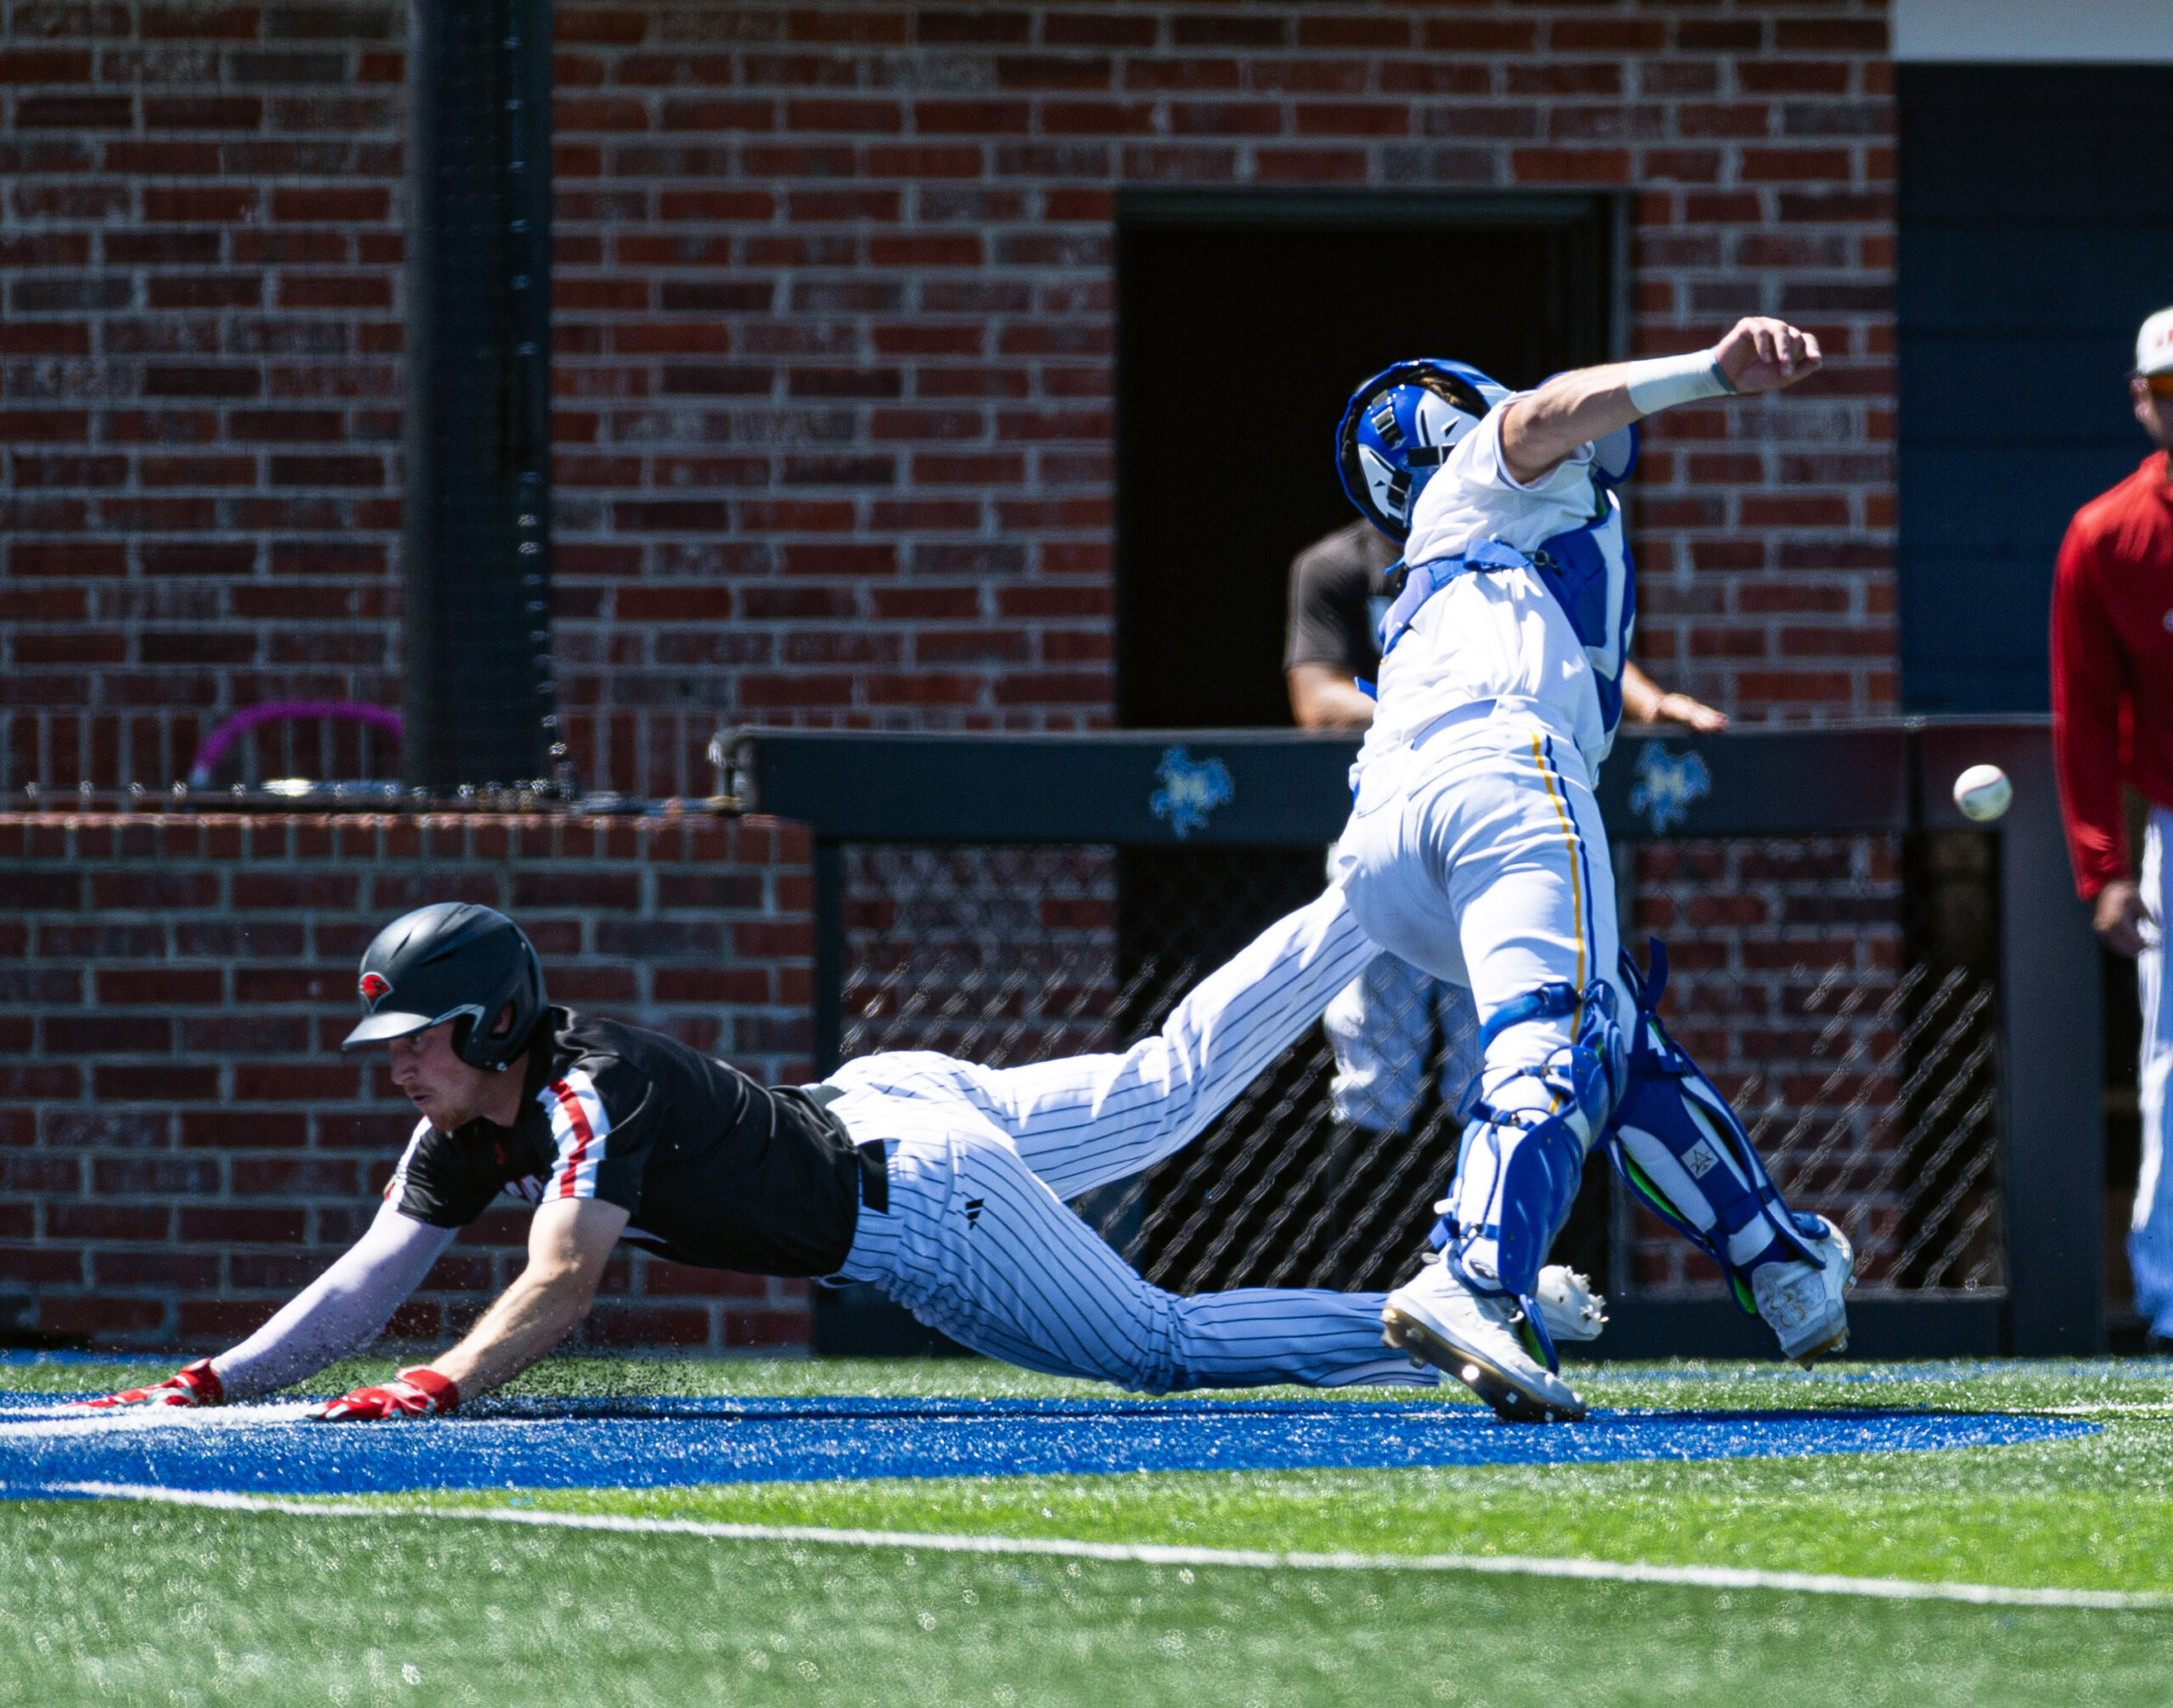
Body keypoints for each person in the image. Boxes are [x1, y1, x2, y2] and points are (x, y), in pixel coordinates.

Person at [78, 900, 1607, 1419]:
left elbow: (557, 1284)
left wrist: (445, 1381)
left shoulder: (587, 1086)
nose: (398, 1064)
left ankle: (1476, 1307)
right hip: (884, 1110)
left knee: (1160, 1345)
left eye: (414, 1038)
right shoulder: (474, 1114)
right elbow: (365, 1281)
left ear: (486, 1021)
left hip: (921, 1197)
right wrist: (219, 1376)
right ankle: (1364, 887)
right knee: (1168, 1083)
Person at [1325, 325, 1856, 1422]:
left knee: (1612, 1036)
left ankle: (1782, 1262)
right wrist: (1709, 372)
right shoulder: (1486, 478)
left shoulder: (1500, 538)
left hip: (1388, 834)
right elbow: (1538, 418)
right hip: (1503, 775)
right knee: (1558, 1036)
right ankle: (1473, 1273)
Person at [1286, 515, 1730, 1141]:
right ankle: (1366, 1240)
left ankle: (1476, 1229)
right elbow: (1316, 701)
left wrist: (1651, 703)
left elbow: (1568, 642)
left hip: (1488, 819)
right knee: (1374, 1072)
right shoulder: (1335, 564)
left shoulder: (1490, 548)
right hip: (1381, 826)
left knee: (1500, 1058)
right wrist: (1440, 704)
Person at [2052, 305, 2173, 1346]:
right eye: (2170, 391)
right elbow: (2084, 710)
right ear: (2141, 400)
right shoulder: (2107, 535)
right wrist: (2104, 866)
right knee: (2170, 1056)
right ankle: (2170, 1298)